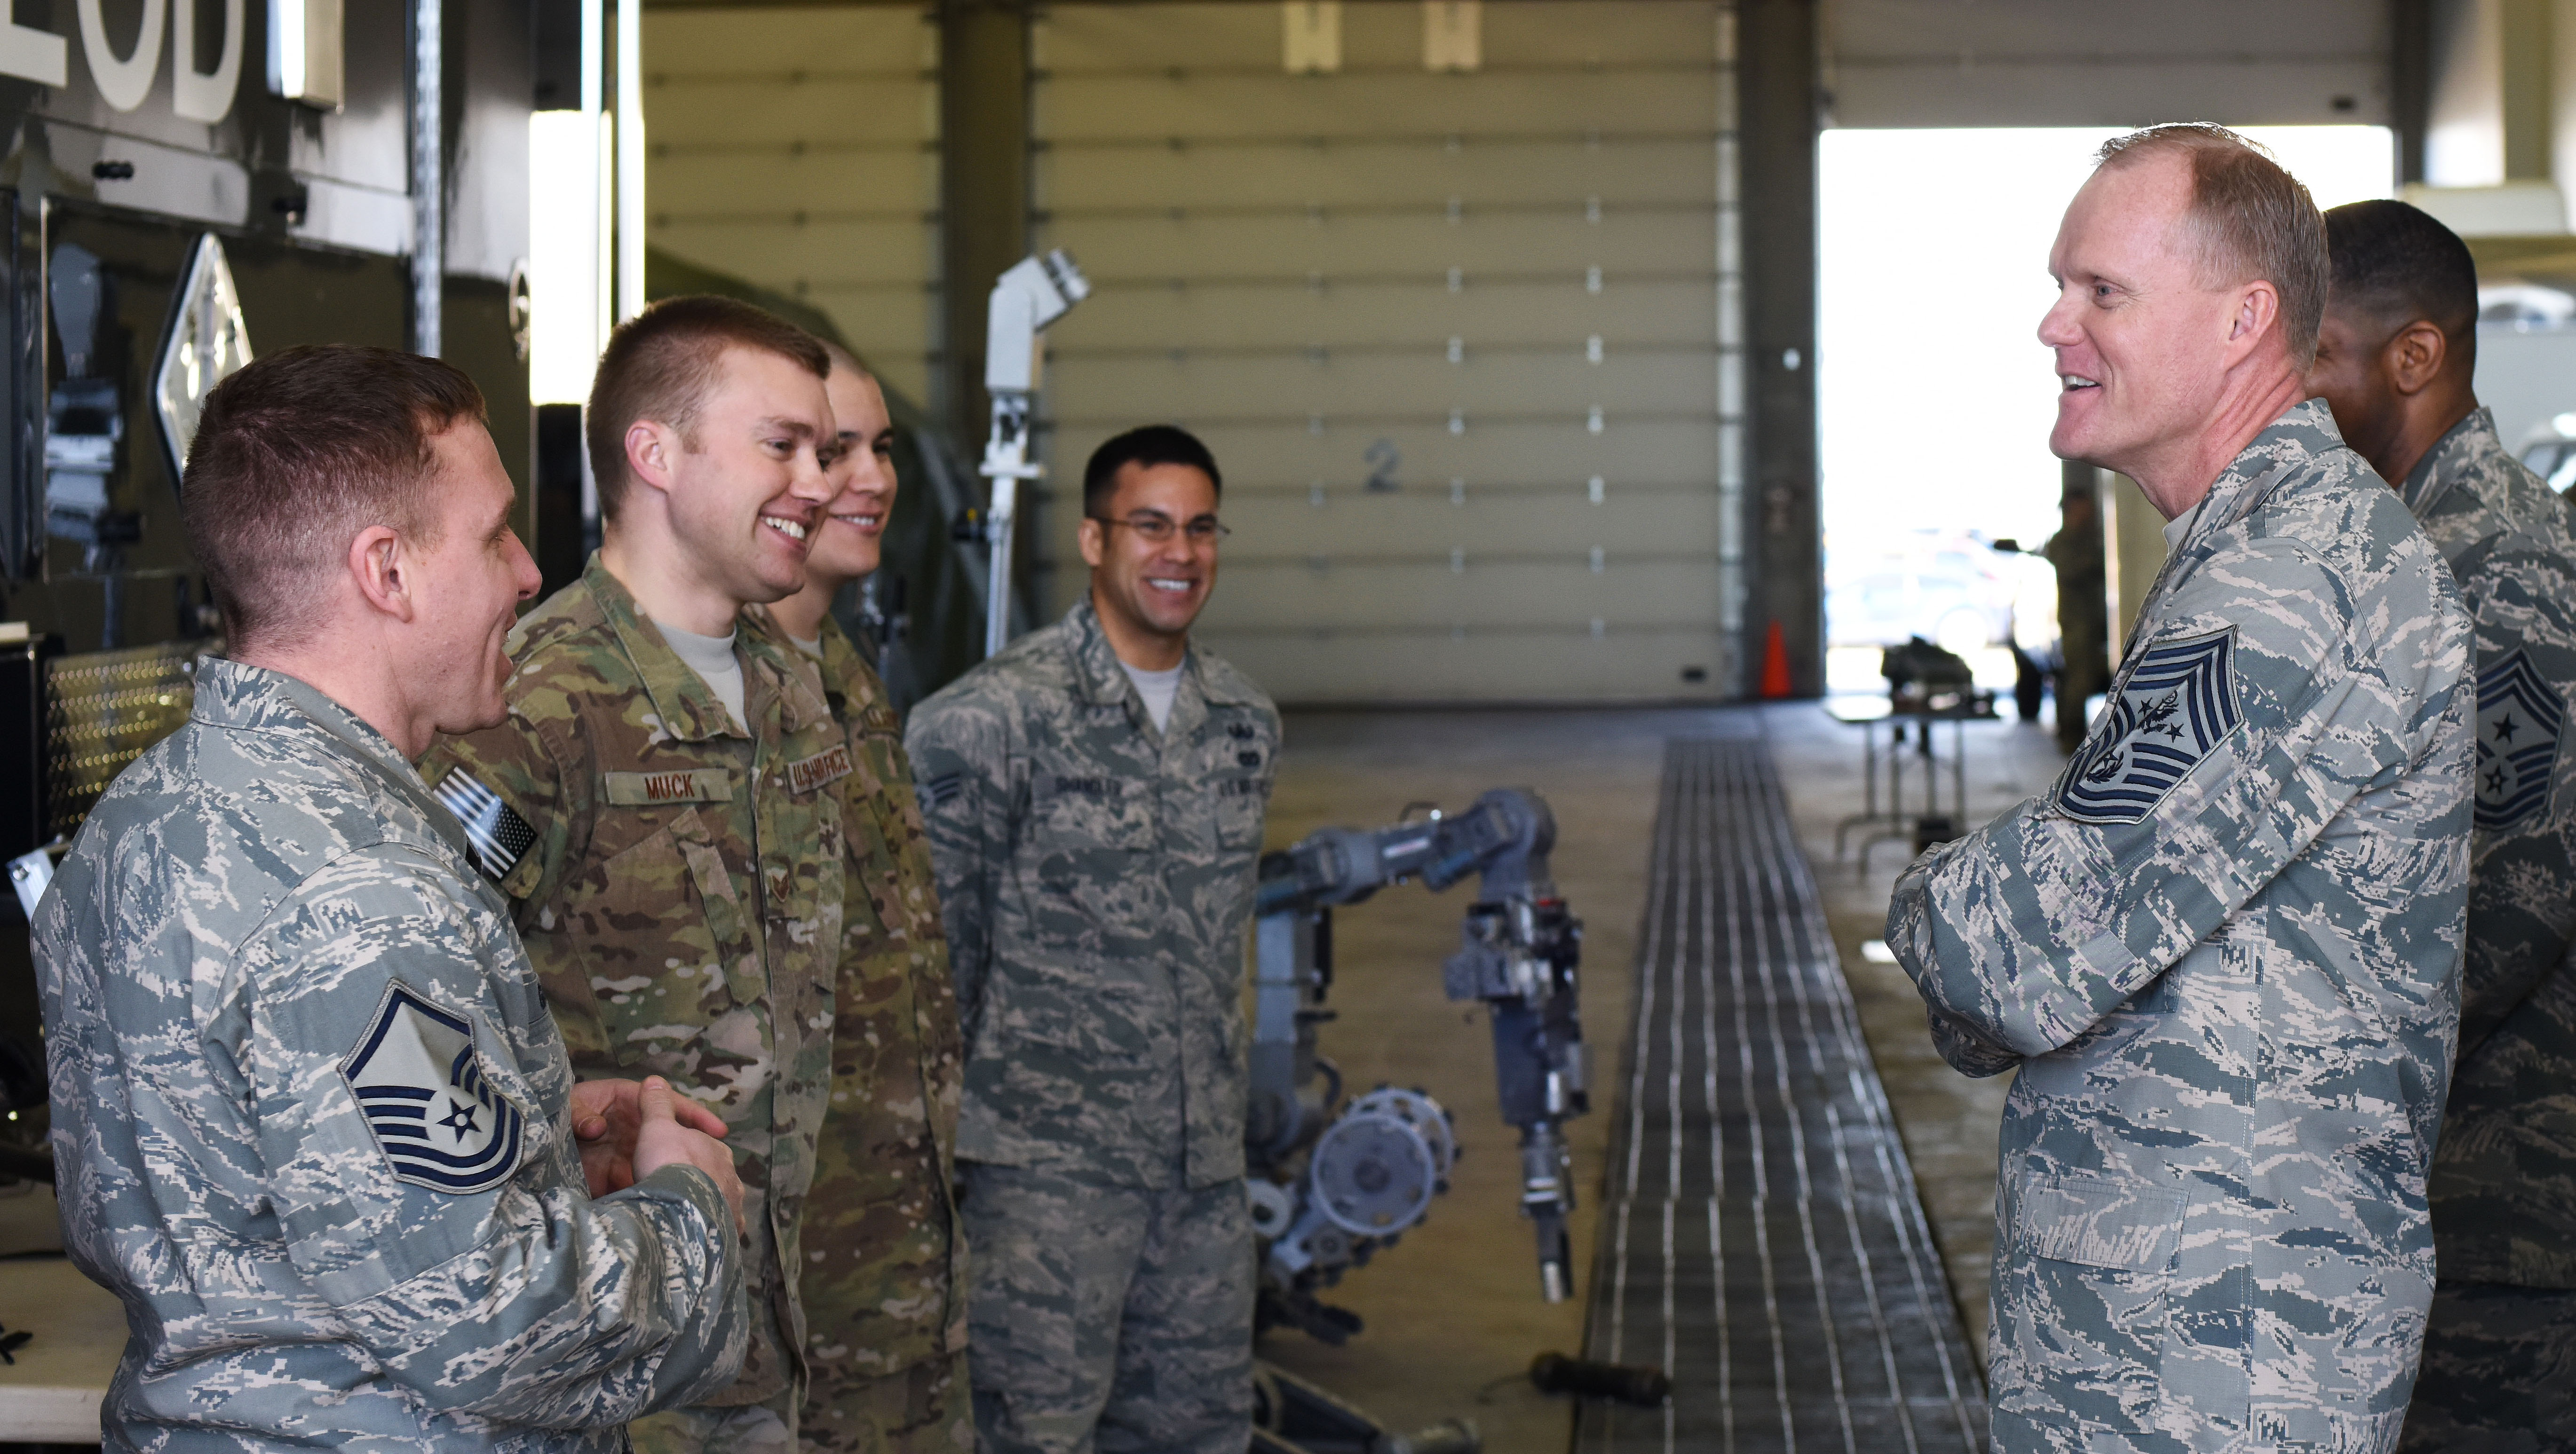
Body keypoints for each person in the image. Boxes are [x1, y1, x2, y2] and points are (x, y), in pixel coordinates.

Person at [33, 344, 751, 1451]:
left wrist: (526, 1135)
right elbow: (502, 1325)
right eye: (494, 535)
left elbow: (247, 1176)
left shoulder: (150, 809)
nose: (527, 573)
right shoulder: (361, 892)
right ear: (388, 572)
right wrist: (687, 1207)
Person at [1885, 125, 2473, 1453]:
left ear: (2241, 321)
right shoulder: (2254, 548)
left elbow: (2016, 948)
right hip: (2176, 1332)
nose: (2054, 325)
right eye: (2060, 286)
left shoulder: (2290, 578)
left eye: (2102, 290)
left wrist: (1921, 902)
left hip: (2224, 1352)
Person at [421, 297, 845, 1454]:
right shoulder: (533, 706)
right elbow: (427, 1020)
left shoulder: (790, 686)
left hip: (771, 1327)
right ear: (655, 453)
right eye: (783, 445)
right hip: (614, 1358)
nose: (819, 482)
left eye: (824, 450)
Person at [906, 424, 1279, 1454]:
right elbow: (936, 962)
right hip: (1045, 1179)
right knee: (1035, 1434)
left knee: (1200, 1431)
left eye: (1200, 528)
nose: (1180, 553)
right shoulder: (987, 722)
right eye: (1150, 525)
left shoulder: (1242, 722)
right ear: (1092, 538)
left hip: (1202, 1176)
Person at [2305, 198, 2576, 1449]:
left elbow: (2499, 909)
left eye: (2312, 356)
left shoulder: (2503, 573)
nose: (2282, 394)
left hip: (2499, 1212)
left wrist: (2283, 1057)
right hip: (2402, 1189)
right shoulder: (2388, 555)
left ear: (2412, 356)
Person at [753, 343, 971, 1453]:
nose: (874, 479)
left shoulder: (845, 677)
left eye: (878, 448)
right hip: (773, 1305)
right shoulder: (696, 694)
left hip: (892, 1268)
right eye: (834, 451)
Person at [2042, 481, 2108, 752]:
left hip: (2090, 621)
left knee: (2085, 677)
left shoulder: (2087, 539)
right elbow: (2074, 570)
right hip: (2076, 621)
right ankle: (2070, 734)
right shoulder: (2063, 542)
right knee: (2079, 679)